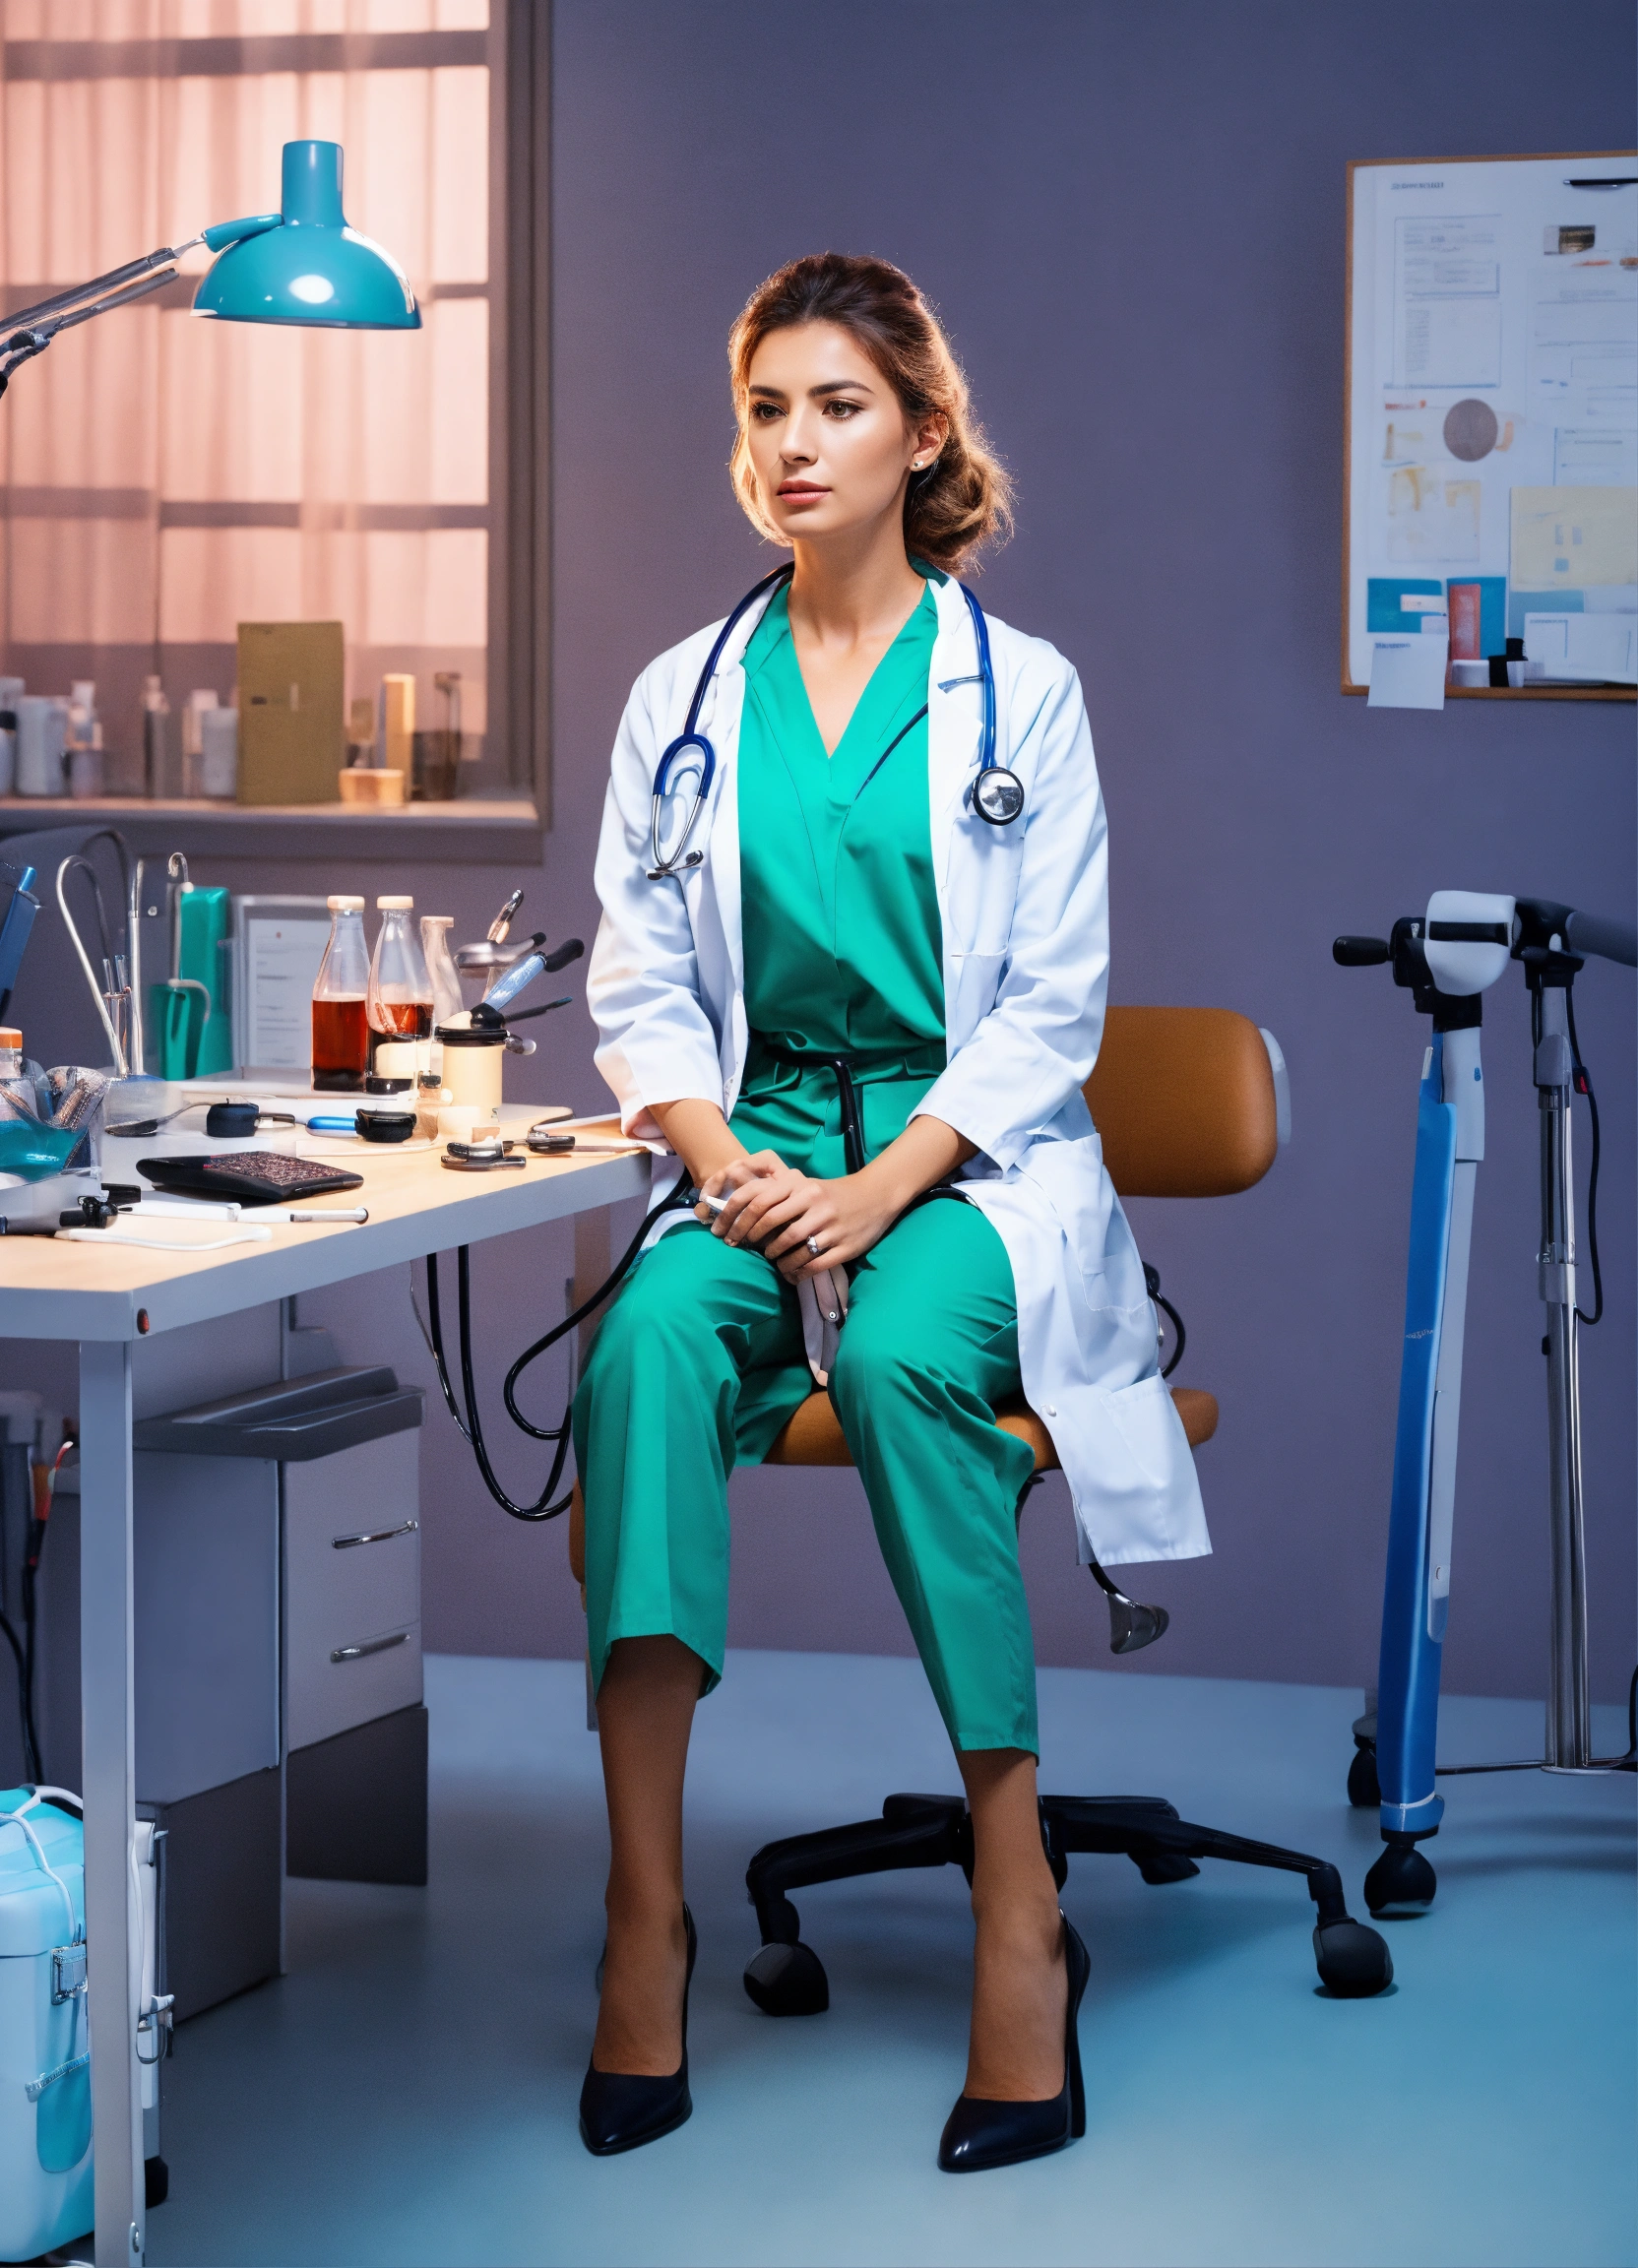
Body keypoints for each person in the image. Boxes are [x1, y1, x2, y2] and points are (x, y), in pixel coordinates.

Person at [574, 252, 1207, 2171]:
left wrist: (872, 1191)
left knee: (924, 1367)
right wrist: (722, 1163)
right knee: (644, 1358)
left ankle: (1017, 1906)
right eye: (764, 407)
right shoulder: (683, 696)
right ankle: (642, 1914)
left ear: (921, 433)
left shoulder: (1028, 692)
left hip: (958, 1161)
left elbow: (1050, 1010)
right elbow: (639, 987)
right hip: (751, 1152)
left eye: (835, 405)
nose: (790, 444)